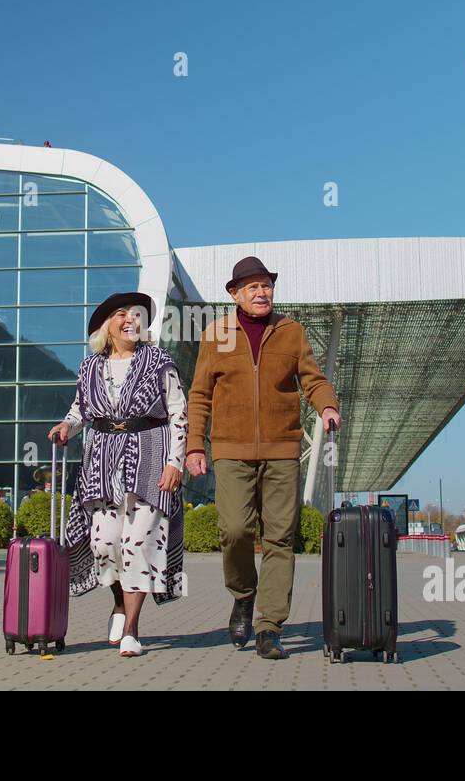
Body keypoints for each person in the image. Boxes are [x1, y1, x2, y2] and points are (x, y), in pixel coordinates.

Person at [186, 256, 342, 659]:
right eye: (253, 287)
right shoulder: (217, 334)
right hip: (231, 450)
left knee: (279, 537)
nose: (262, 292)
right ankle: (243, 595)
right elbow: (200, 394)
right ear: (235, 294)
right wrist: (195, 444)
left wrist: (326, 406)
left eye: (266, 285)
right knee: (235, 529)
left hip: (282, 450)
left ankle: (269, 626)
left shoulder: (291, 332)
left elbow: (313, 379)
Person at [48, 292, 187, 657]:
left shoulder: (159, 361)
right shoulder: (90, 367)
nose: (130, 320)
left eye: (136, 315)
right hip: (102, 461)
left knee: (138, 543)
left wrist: (175, 462)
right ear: (106, 326)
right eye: (121, 314)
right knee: (105, 544)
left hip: (150, 458)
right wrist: (66, 427)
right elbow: (80, 411)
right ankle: (119, 603)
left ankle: (131, 630)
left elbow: (178, 412)